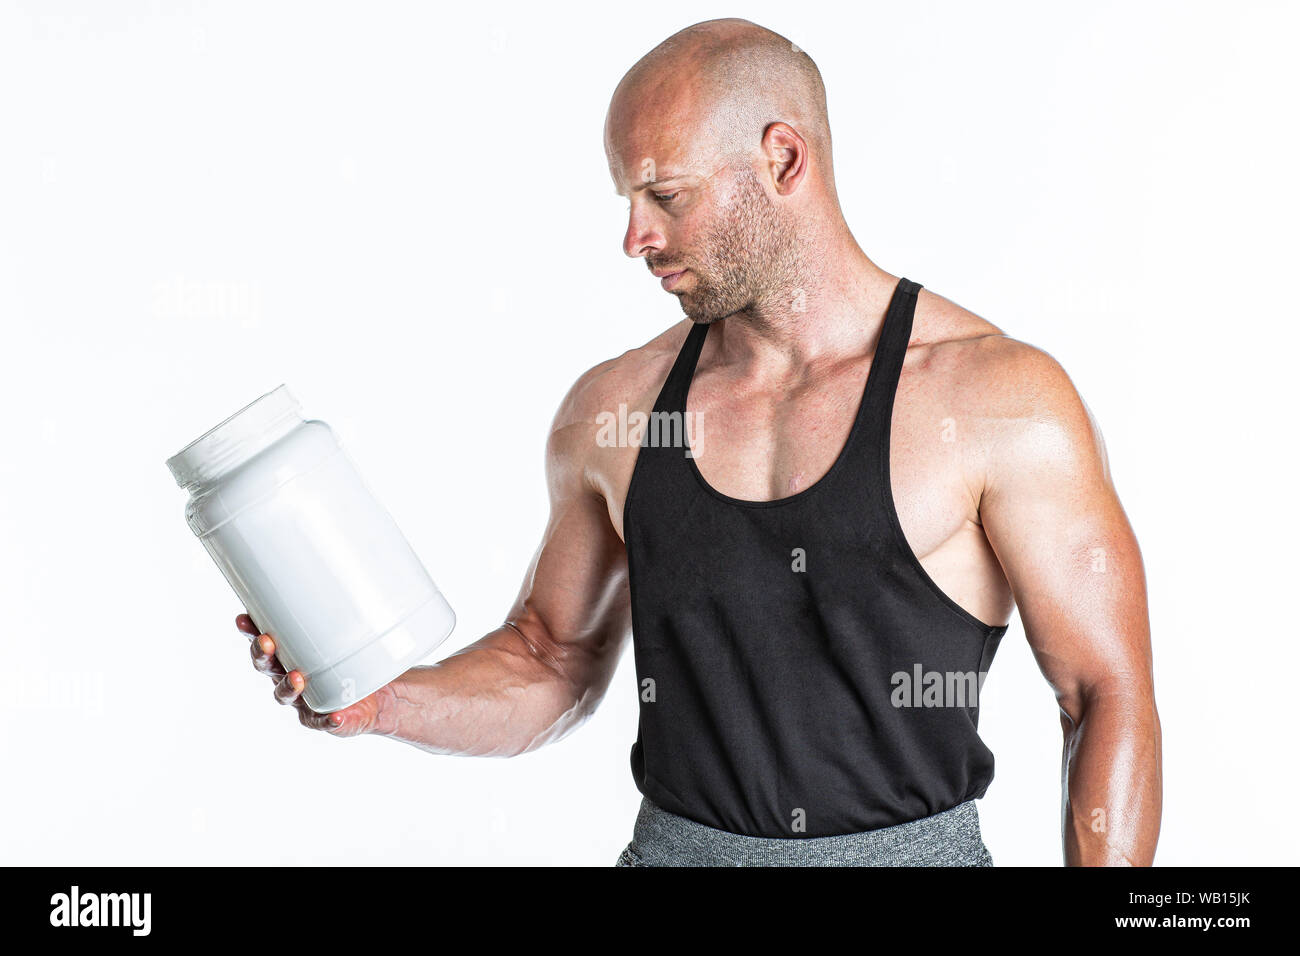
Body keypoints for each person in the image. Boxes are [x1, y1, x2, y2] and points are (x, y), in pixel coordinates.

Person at [238, 17, 1160, 866]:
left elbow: (1104, 693)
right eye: (628, 197)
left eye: (664, 194)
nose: (634, 236)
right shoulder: (618, 411)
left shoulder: (998, 399)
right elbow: (552, 657)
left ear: (783, 160)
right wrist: (383, 703)